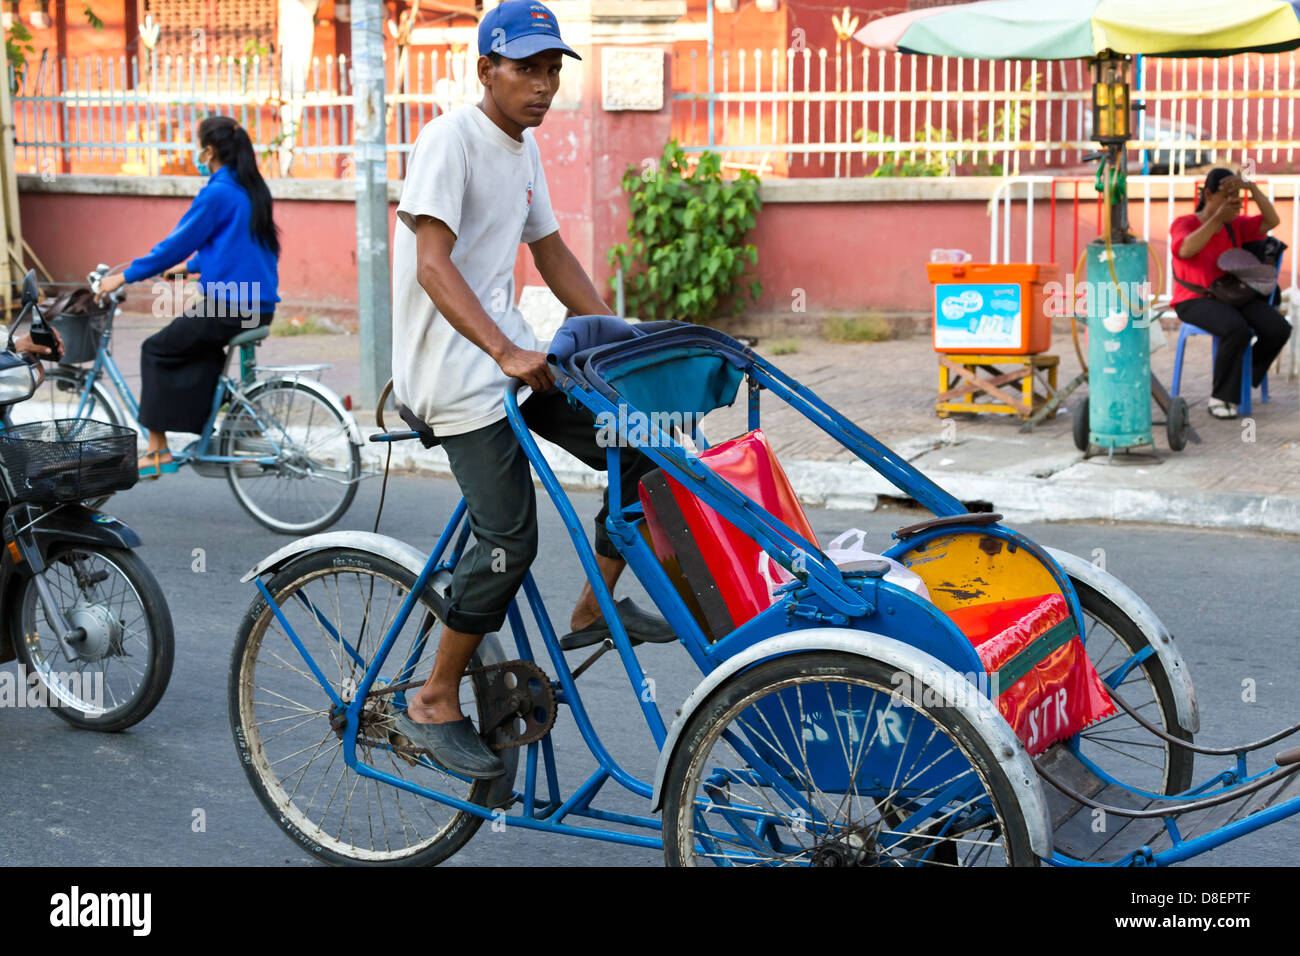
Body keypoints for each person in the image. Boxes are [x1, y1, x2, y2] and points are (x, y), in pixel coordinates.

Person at [389, 0, 674, 779]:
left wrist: (620, 337)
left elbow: (551, 256)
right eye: (527, 69)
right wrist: (505, 347)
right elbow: (432, 266)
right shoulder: (450, 141)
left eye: (553, 70)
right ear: (486, 69)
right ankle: (434, 696)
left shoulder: (523, 151)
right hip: (455, 375)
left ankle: (595, 606)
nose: (543, 85)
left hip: (515, 362)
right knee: (511, 538)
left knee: (644, 453)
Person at [97, 115, 279, 475]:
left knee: (155, 349)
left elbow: (175, 244)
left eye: (199, 147)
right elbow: (235, 246)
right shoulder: (251, 188)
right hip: (259, 304)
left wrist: (124, 276)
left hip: (229, 304)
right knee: (198, 348)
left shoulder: (217, 193)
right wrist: (192, 267)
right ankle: (205, 424)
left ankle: (158, 450)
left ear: (209, 150)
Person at [1170, 167, 1291, 419]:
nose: (1233, 201)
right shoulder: (1185, 223)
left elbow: (1272, 221)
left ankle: (1244, 378)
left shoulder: (1234, 225)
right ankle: (1221, 397)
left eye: (1236, 196)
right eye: (1226, 195)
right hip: (1194, 299)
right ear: (1208, 194)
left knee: (1278, 328)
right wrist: (1215, 219)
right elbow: (1184, 250)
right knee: (1237, 330)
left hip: (1230, 294)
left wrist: (1252, 188)